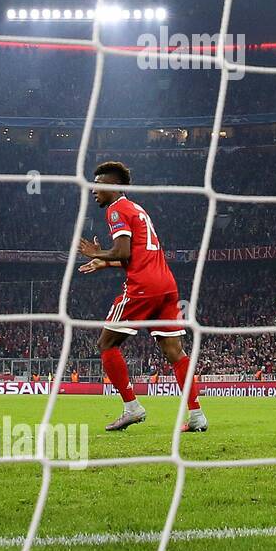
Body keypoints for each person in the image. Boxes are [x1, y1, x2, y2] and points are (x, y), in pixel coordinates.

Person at [77, 161, 207, 433]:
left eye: (98, 185)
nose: (93, 191)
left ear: (113, 186)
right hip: (166, 284)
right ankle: (196, 416)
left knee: (106, 343)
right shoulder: (137, 208)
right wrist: (107, 263)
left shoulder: (116, 210)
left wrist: (97, 254)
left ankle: (132, 408)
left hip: (143, 286)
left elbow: (122, 251)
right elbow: (136, 255)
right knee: (174, 351)